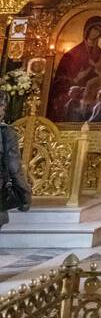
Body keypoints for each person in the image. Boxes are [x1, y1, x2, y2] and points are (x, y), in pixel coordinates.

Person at [47, 16, 101, 122]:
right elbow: (60, 80)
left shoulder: (100, 54)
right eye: (93, 29)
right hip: (74, 94)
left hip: (93, 95)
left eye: (98, 30)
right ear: (87, 30)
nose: (95, 33)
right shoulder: (73, 53)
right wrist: (77, 78)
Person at [0, 94, 31, 230]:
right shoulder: (5, 132)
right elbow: (14, 168)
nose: (3, 111)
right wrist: (25, 194)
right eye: (3, 107)